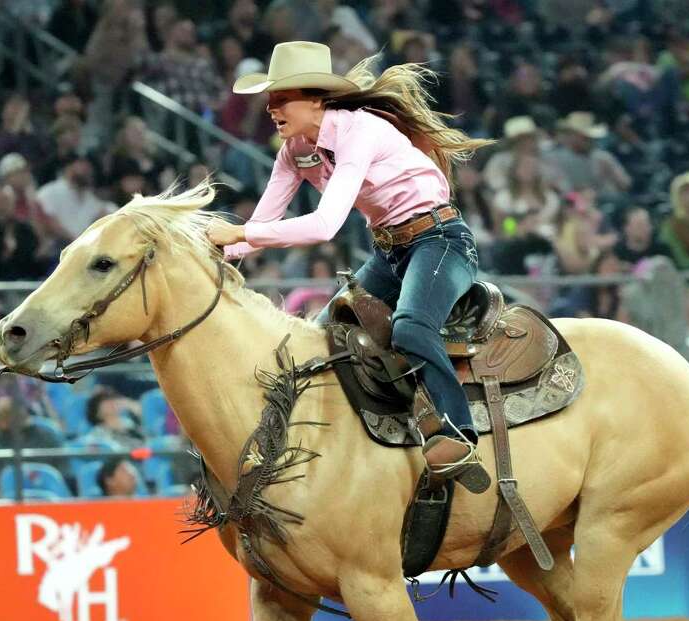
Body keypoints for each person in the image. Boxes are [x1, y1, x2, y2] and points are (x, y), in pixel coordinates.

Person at [206, 41, 494, 491]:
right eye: (270, 100)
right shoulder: (294, 151)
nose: (271, 109)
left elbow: (323, 225)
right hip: (390, 251)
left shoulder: (359, 130)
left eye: (282, 98)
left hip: (441, 241)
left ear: (316, 99)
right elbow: (262, 224)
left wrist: (238, 235)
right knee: (318, 341)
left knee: (412, 328)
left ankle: (458, 432)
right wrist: (218, 253)